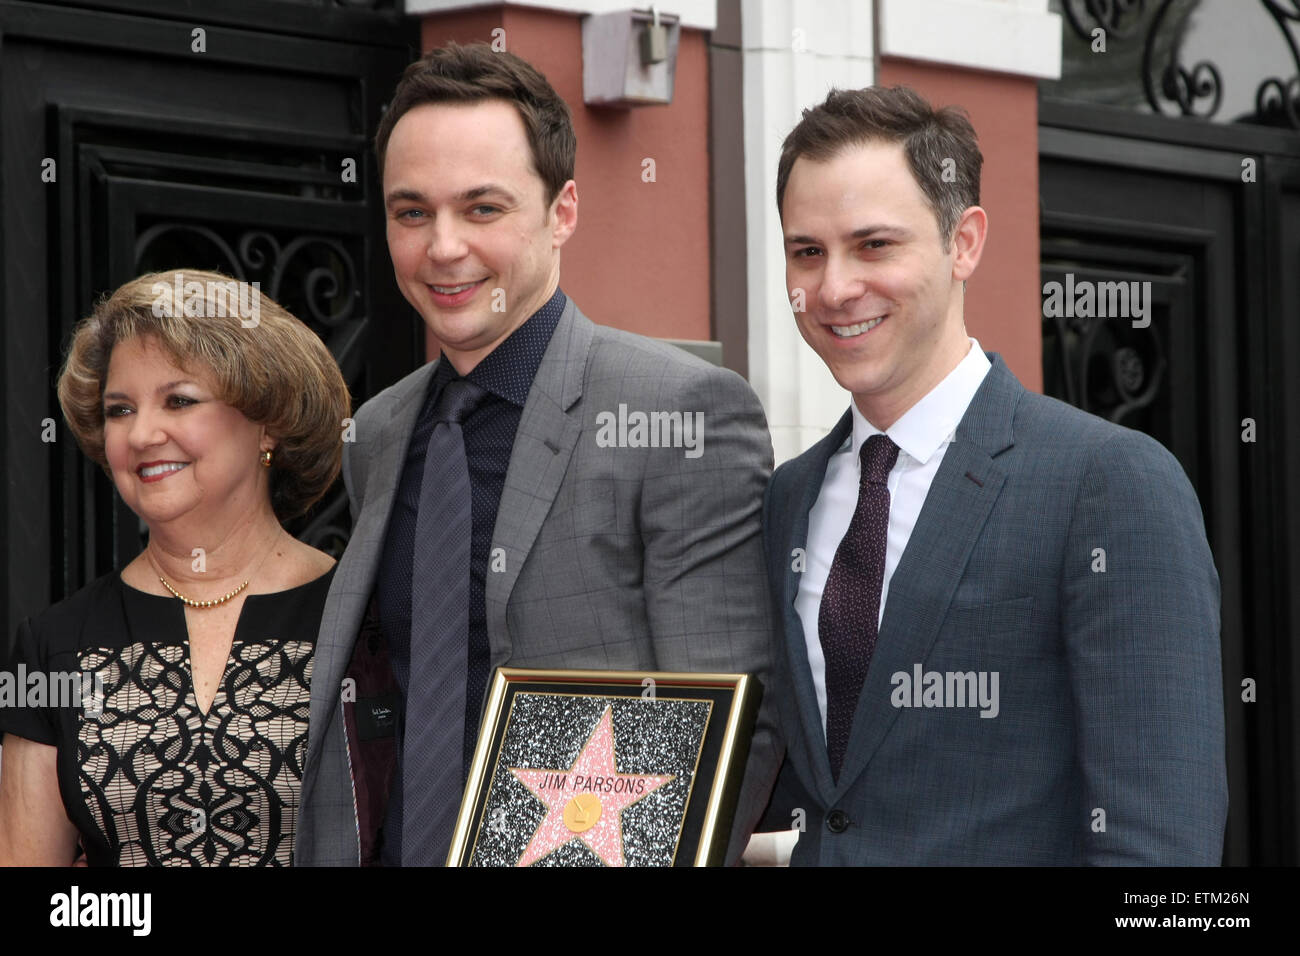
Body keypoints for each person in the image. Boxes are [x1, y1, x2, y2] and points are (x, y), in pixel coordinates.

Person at [295, 43, 779, 867]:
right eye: (412, 212)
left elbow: (734, 725)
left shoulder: (677, 410)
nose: (443, 247)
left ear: (562, 212)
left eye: (483, 208)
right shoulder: (377, 431)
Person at [759, 86, 1226, 864]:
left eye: (874, 245)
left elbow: (1162, 849)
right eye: (808, 251)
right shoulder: (790, 497)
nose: (834, 288)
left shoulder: (1109, 483)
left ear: (964, 242)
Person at [0, 269, 350, 865]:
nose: (140, 434)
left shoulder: (368, 616)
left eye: (179, 400)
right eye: (119, 410)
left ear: (268, 422)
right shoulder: (55, 644)